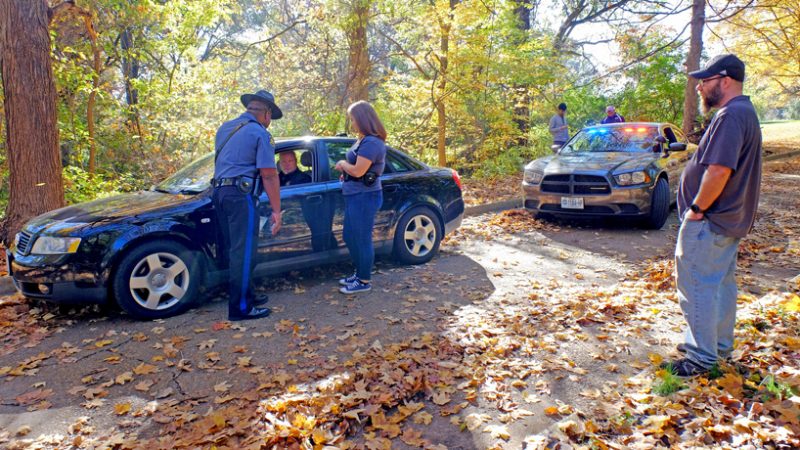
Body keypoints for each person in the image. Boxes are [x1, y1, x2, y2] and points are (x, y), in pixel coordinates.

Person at [662, 54, 762, 376]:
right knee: (719, 285)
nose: (701, 87)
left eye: (706, 81)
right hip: (726, 221)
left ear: (726, 80)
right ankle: (717, 348)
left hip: (711, 220)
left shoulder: (731, 116)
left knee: (698, 285)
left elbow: (719, 171)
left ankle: (701, 359)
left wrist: (696, 209)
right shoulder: (744, 113)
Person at [212, 89, 283, 321]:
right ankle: (241, 308)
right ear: (266, 114)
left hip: (220, 194)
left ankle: (248, 295)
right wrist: (276, 210)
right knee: (244, 253)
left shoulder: (225, 128)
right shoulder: (260, 133)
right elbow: (269, 175)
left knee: (236, 250)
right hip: (241, 196)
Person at [334, 101, 387, 294]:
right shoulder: (363, 140)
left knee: (362, 238)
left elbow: (358, 170)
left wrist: (343, 164)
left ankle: (364, 281)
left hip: (365, 197)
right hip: (355, 195)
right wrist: (346, 174)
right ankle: (359, 273)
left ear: (363, 119)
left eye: (354, 119)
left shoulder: (372, 142)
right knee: (350, 235)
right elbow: (357, 170)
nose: (352, 123)